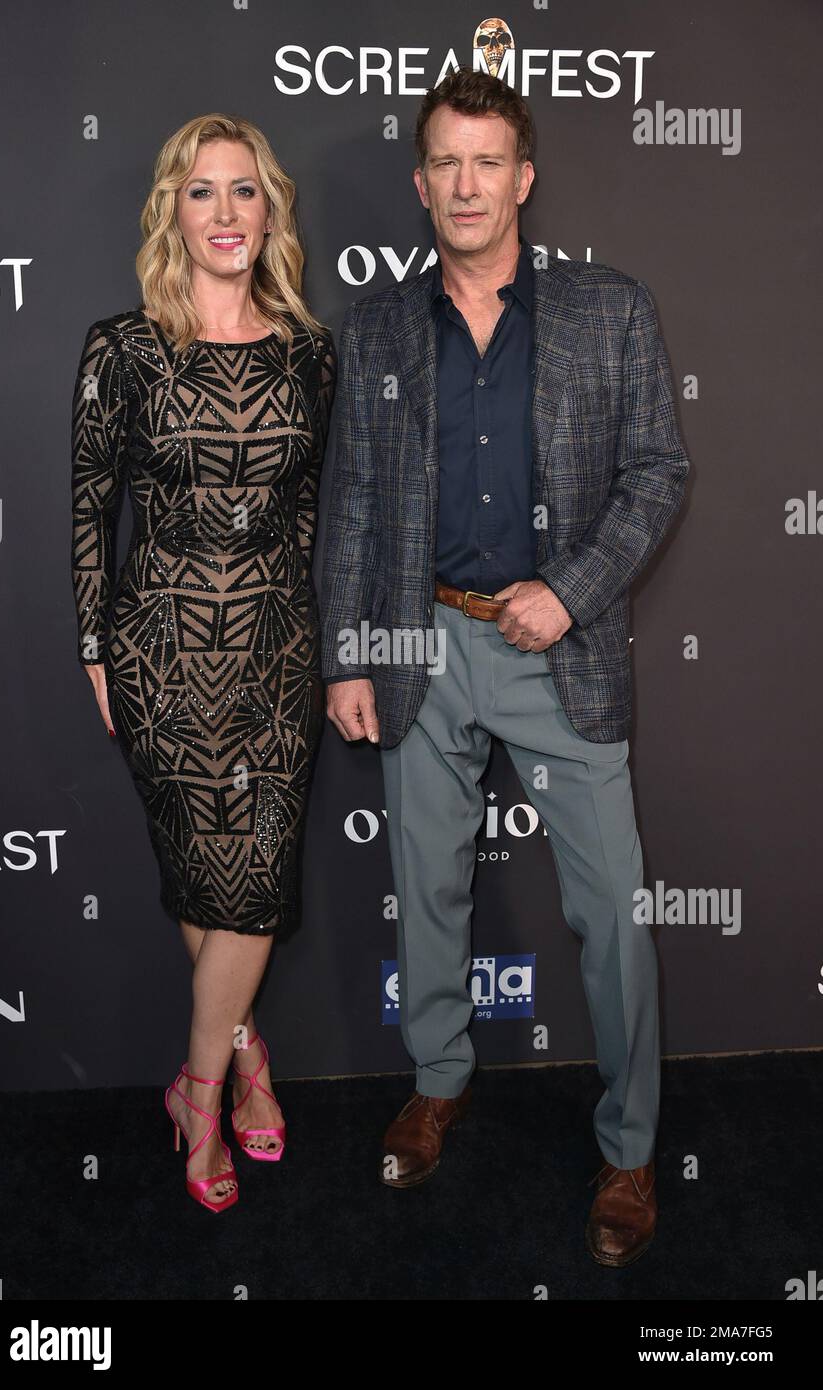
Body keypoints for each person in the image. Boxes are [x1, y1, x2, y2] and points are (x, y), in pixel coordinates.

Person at [320, 67, 688, 1265]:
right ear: (420, 183)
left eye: (489, 161)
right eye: (445, 162)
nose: (466, 184)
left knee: (612, 918)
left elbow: (656, 473)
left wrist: (566, 591)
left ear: (522, 178)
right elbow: (350, 511)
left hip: (557, 653)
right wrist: (348, 653)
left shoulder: (609, 310)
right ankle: (438, 1082)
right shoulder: (374, 328)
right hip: (416, 644)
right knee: (425, 890)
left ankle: (628, 1152)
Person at [70, 113, 336, 1212]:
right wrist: (95, 644)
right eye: (200, 192)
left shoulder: (309, 350)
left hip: (276, 649)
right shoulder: (122, 347)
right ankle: (237, 1070)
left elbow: (311, 514)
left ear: (267, 208)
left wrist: (312, 640)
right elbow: (90, 509)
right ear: (170, 213)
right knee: (204, 873)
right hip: (157, 649)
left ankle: (202, 1084)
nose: (224, 213)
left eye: (243, 191)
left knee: (253, 884)